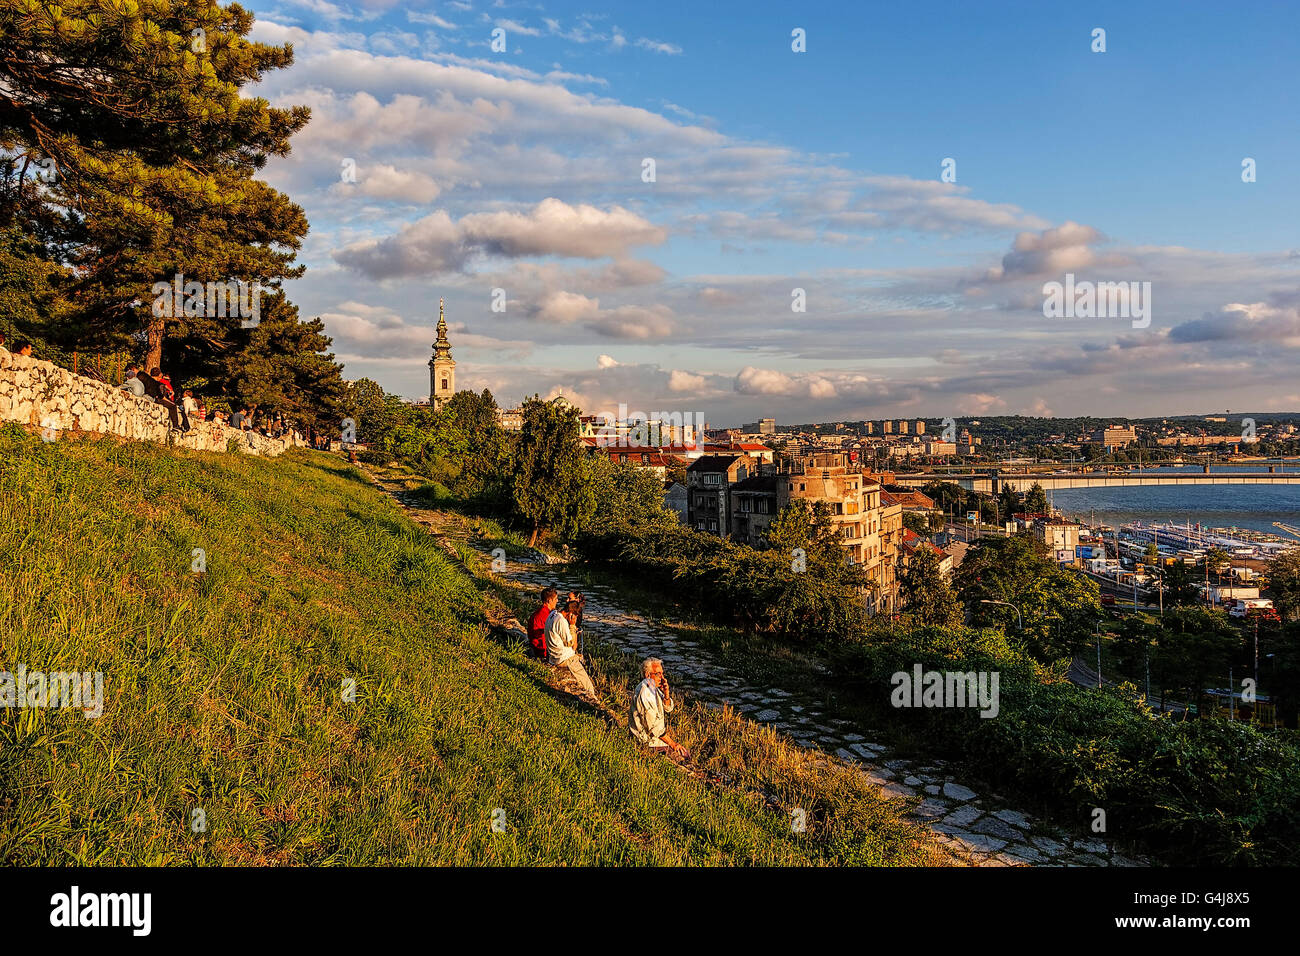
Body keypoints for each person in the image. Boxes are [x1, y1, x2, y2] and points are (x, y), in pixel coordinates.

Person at [629, 658, 688, 756]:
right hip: (647, 742)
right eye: (657, 674)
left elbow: (668, 708)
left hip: (654, 739)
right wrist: (673, 744)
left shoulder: (653, 688)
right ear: (647, 675)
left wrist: (666, 694)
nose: (662, 678)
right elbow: (654, 728)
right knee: (682, 755)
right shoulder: (644, 693)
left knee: (685, 753)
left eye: (662, 673)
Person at [546, 600, 596, 699]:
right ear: (571, 614)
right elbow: (572, 645)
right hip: (565, 658)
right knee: (587, 684)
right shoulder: (561, 621)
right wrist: (572, 626)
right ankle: (592, 700)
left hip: (554, 656)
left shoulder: (553, 614)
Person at [529, 588, 558, 660]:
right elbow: (541, 639)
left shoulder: (541, 613)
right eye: (555, 599)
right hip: (542, 651)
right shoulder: (544, 616)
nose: (557, 601)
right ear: (549, 601)